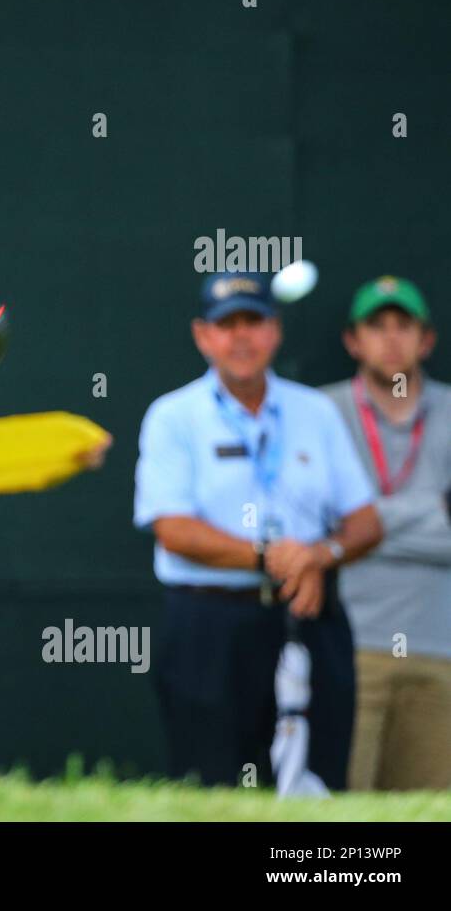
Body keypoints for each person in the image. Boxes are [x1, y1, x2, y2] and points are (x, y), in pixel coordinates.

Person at [133, 271, 383, 788]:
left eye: (255, 321)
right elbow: (174, 529)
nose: (241, 336)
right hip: (211, 625)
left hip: (309, 615)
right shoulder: (173, 416)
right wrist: (275, 556)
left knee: (317, 783)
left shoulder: (315, 411)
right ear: (203, 335)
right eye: (228, 325)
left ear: (276, 330)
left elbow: (365, 522)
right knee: (212, 786)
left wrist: (320, 556)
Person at [321, 276, 451, 790]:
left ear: (427, 340)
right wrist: (435, 511)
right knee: (337, 813)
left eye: (404, 326)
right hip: (345, 648)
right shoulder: (319, 413)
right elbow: (312, 526)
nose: (391, 339)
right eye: (377, 326)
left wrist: (361, 528)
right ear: (353, 340)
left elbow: (341, 530)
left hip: (442, 652)